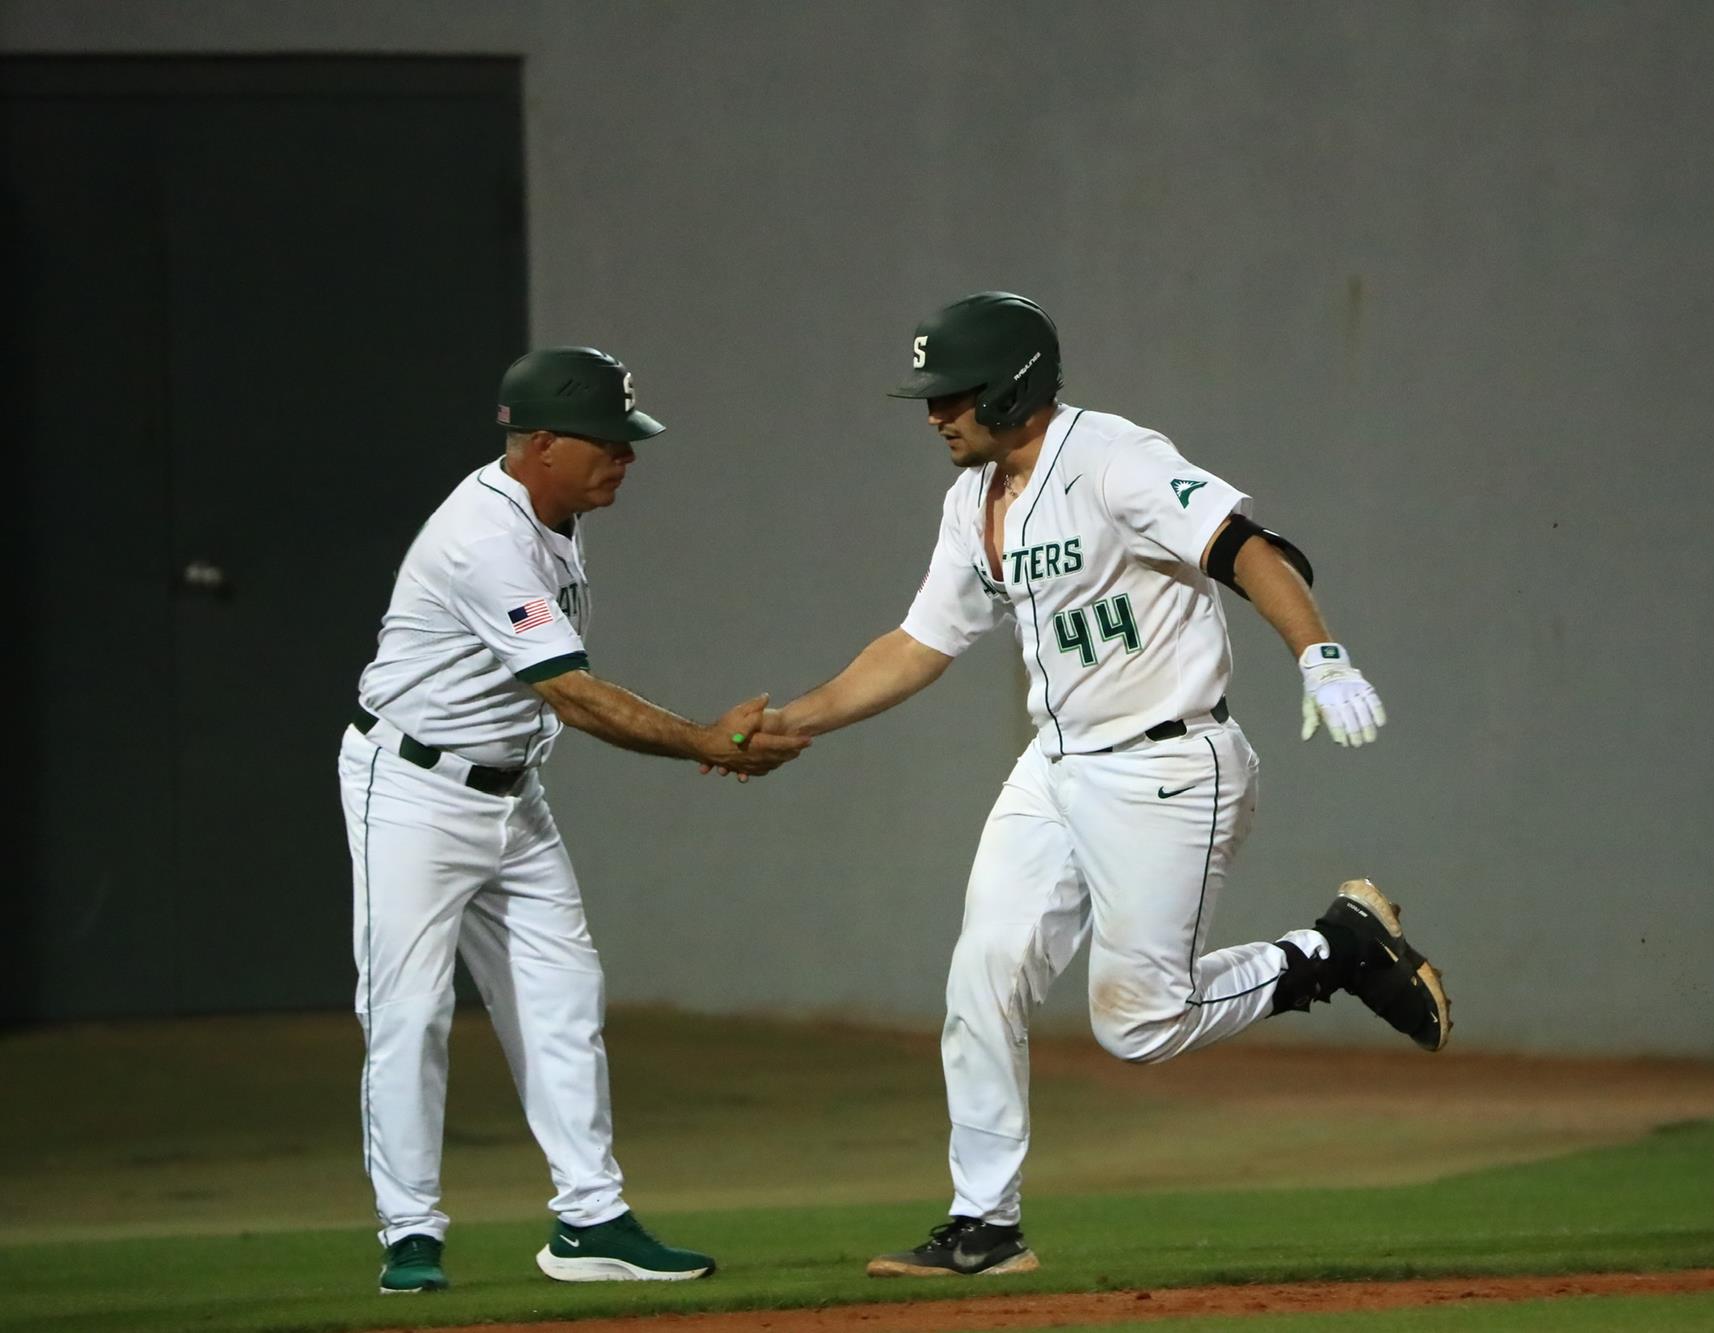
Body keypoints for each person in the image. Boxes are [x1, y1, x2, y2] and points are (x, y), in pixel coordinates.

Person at [759, 293, 1450, 1277]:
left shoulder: (1113, 457)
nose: (931, 414)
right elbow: (918, 644)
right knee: (982, 973)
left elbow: (1246, 548)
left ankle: (1331, 949)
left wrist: (1319, 653)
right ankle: (983, 1223)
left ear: (1009, 384)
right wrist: (798, 718)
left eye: (948, 394)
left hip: (1169, 763)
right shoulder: (973, 501)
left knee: (1137, 1026)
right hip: (1054, 766)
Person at [336, 346, 808, 1294]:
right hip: (417, 788)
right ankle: (409, 1236)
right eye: (608, 441)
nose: (626, 456)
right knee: (410, 1009)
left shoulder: (552, 511)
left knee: (564, 996)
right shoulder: (486, 536)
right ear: (540, 442)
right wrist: (702, 741)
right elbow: (574, 696)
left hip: (512, 793)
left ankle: (591, 1221)